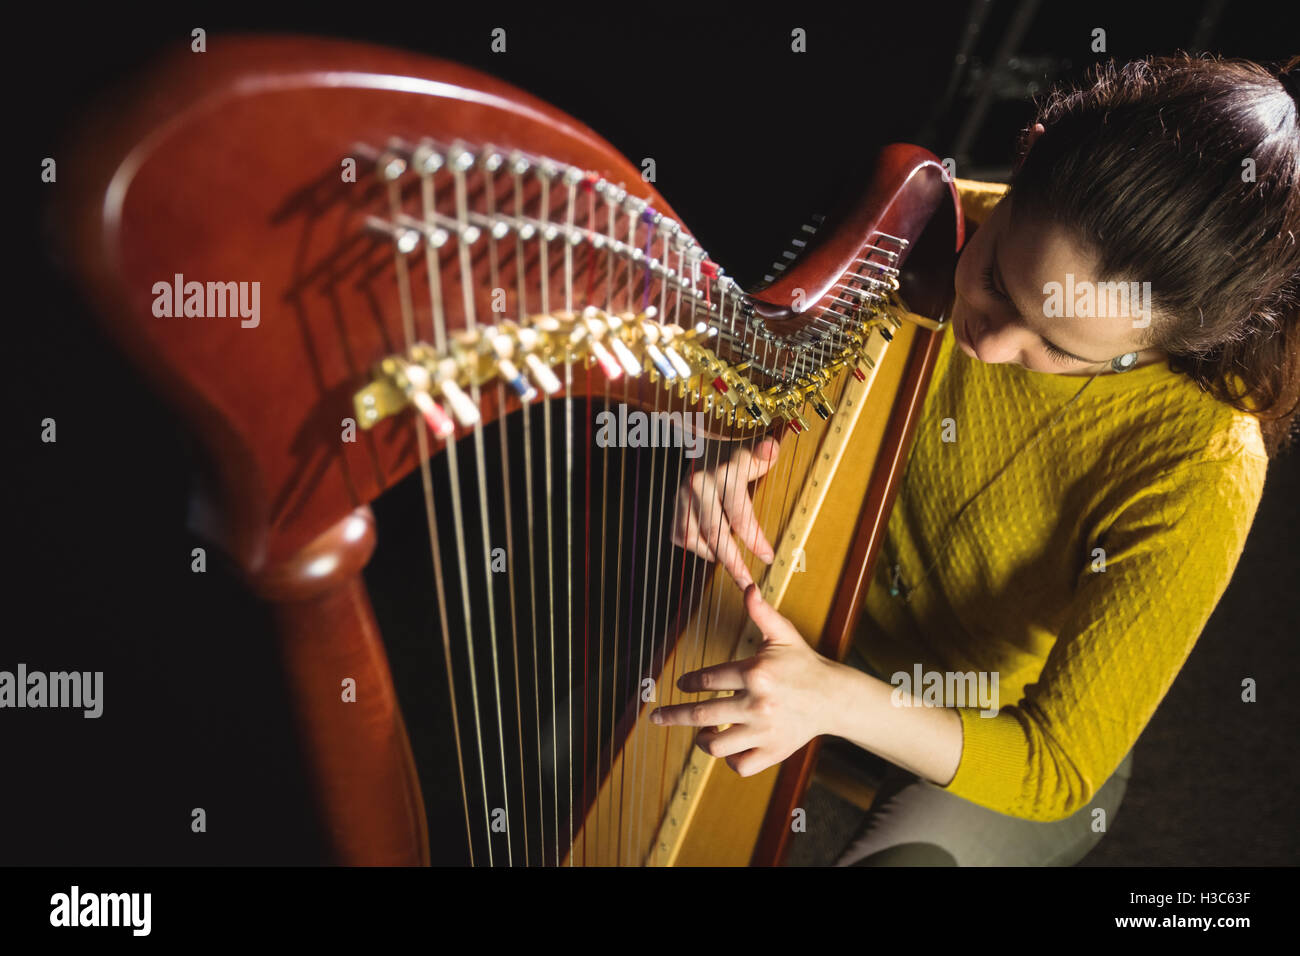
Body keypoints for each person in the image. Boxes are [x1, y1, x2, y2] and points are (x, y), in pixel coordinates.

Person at [652, 52, 1300, 865]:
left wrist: (835, 700)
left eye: (1058, 347)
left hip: (992, 729)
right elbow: (757, 387)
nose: (990, 343)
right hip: (798, 630)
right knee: (560, 773)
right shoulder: (916, 233)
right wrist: (716, 455)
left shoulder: (1203, 461)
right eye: (995, 278)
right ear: (1021, 170)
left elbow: (1054, 766)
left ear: (1170, 345)